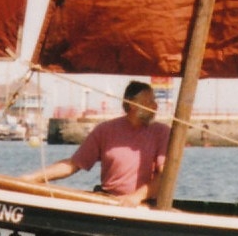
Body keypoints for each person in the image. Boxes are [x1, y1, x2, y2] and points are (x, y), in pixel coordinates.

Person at [31, 80, 168, 205]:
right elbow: (73, 164)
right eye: (149, 102)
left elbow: (165, 174)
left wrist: (135, 198)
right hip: (108, 201)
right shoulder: (105, 130)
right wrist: (32, 178)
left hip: (144, 204)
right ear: (133, 105)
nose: (155, 106)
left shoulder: (162, 132)